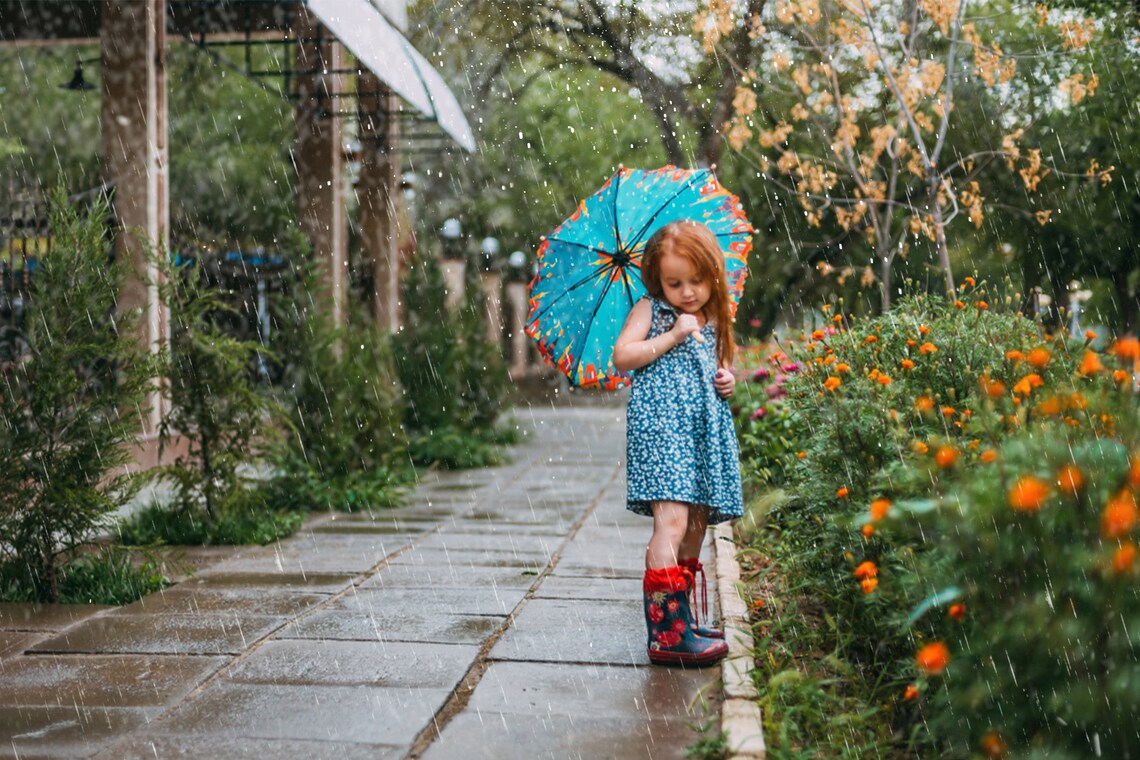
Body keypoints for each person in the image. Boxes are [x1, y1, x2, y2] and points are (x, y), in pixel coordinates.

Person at [613, 219, 742, 667]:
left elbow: (722, 365)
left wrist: (727, 379)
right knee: (671, 521)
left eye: (696, 280)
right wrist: (671, 335)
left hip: (700, 433)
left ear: (712, 274)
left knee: (696, 523)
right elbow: (623, 355)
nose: (687, 292)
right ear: (657, 280)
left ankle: (682, 618)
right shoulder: (652, 310)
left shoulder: (714, 317)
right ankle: (666, 634)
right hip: (663, 430)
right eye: (674, 283)